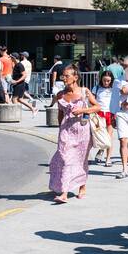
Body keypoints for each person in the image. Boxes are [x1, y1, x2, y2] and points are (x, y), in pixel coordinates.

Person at [48, 64, 99, 203]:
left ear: (75, 77)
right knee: (65, 159)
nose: (63, 78)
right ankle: (64, 192)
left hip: (82, 130)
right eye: (62, 76)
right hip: (66, 130)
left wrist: (82, 111)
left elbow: (97, 107)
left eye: (66, 76)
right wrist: (60, 129)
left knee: (81, 160)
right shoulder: (60, 94)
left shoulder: (84, 92)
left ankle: (82, 186)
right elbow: (60, 113)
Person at [92, 70, 117, 165]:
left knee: (109, 137)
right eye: (104, 80)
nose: (106, 83)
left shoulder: (114, 89)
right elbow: (92, 100)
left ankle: (108, 159)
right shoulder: (96, 88)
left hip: (110, 114)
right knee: (100, 137)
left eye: (108, 81)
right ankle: (101, 150)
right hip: (99, 114)